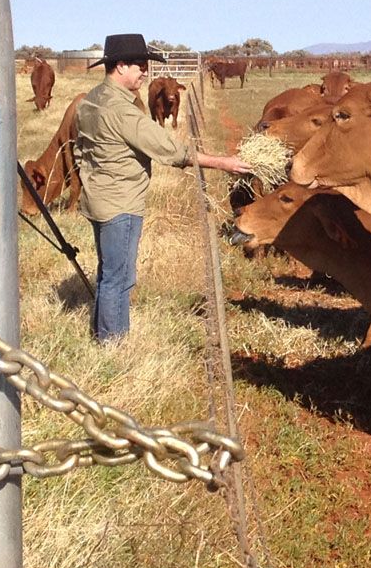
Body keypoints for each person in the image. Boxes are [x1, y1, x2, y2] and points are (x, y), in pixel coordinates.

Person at [75, 33, 250, 343]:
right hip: (121, 203)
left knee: (107, 272)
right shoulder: (123, 110)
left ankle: (102, 334)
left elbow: (79, 150)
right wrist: (225, 163)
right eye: (140, 65)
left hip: (96, 198)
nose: (145, 72)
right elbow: (171, 151)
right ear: (120, 66)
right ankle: (114, 345)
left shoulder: (91, 99)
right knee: (120, 278)